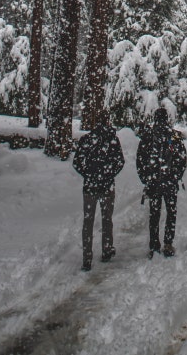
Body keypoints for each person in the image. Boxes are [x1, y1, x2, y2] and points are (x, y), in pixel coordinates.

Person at [73, 110, 125, 271]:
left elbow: (77, 162)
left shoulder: (87, 140)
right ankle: (107, 249)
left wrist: (88, 174)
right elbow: (120, 161)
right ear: (108, 121)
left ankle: (87, 256)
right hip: (106, 186)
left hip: (90, 186)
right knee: (107, 219)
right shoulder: (112, 140)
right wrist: (108, 175)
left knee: (88, 221)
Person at [136, 107, 187, 258]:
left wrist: (145, 178)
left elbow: (140, 159)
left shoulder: (148, 136)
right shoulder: (174, 136)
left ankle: (154, 244)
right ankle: (168, 243)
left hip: (154, 182)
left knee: (154, 214)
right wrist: (176, 175)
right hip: (170, 182)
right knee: (171, 213)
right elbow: (181, 158)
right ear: (166, 118)